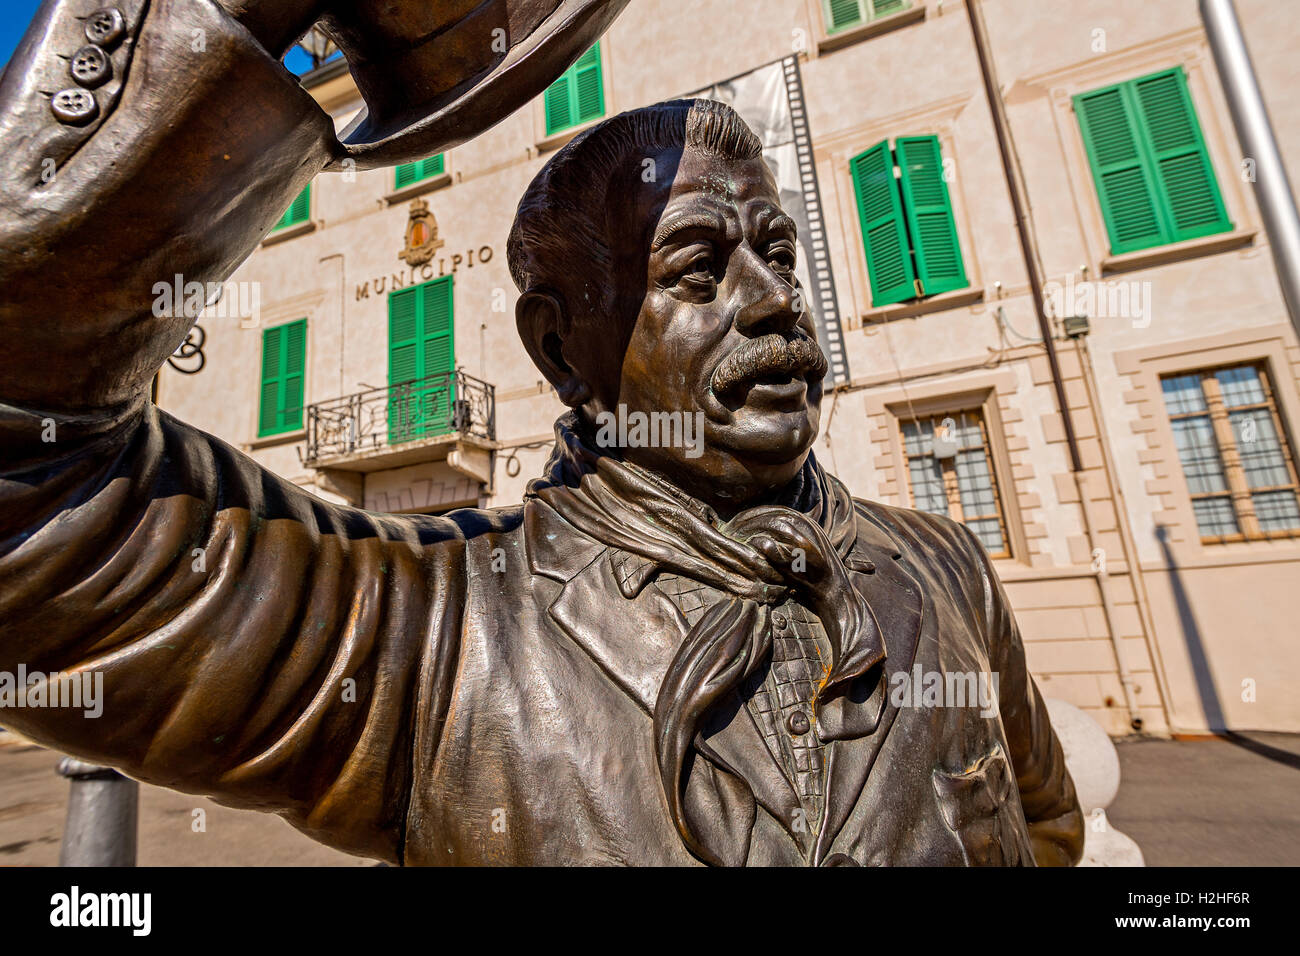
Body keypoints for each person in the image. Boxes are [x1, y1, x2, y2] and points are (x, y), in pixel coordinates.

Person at [0, 2, 1081, 867]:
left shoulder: (945, 571)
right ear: (563, 350)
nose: (774, 301)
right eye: (700, 268)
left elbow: (1047, 832)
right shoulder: (431, 636)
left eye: (781, 254)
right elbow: (29, 491)